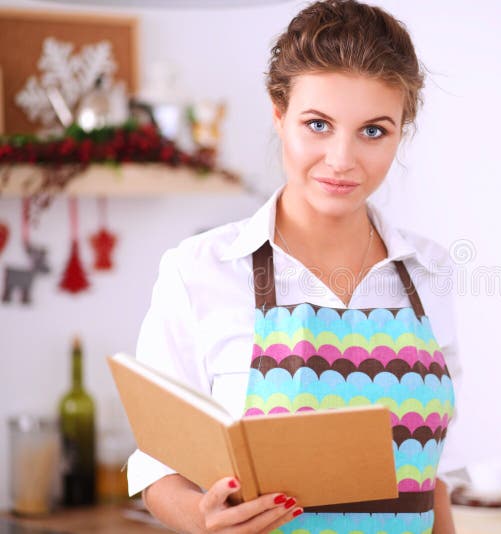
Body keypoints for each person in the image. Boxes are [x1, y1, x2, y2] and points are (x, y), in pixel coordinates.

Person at [127, 1, 462, 532]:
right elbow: (157, 465)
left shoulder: (428, 269)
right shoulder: (200, 271)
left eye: (373, 131)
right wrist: (200, 518)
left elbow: (432, 483)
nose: (342, 159)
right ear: (279, 114)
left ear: (402, 131)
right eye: (318, 124)